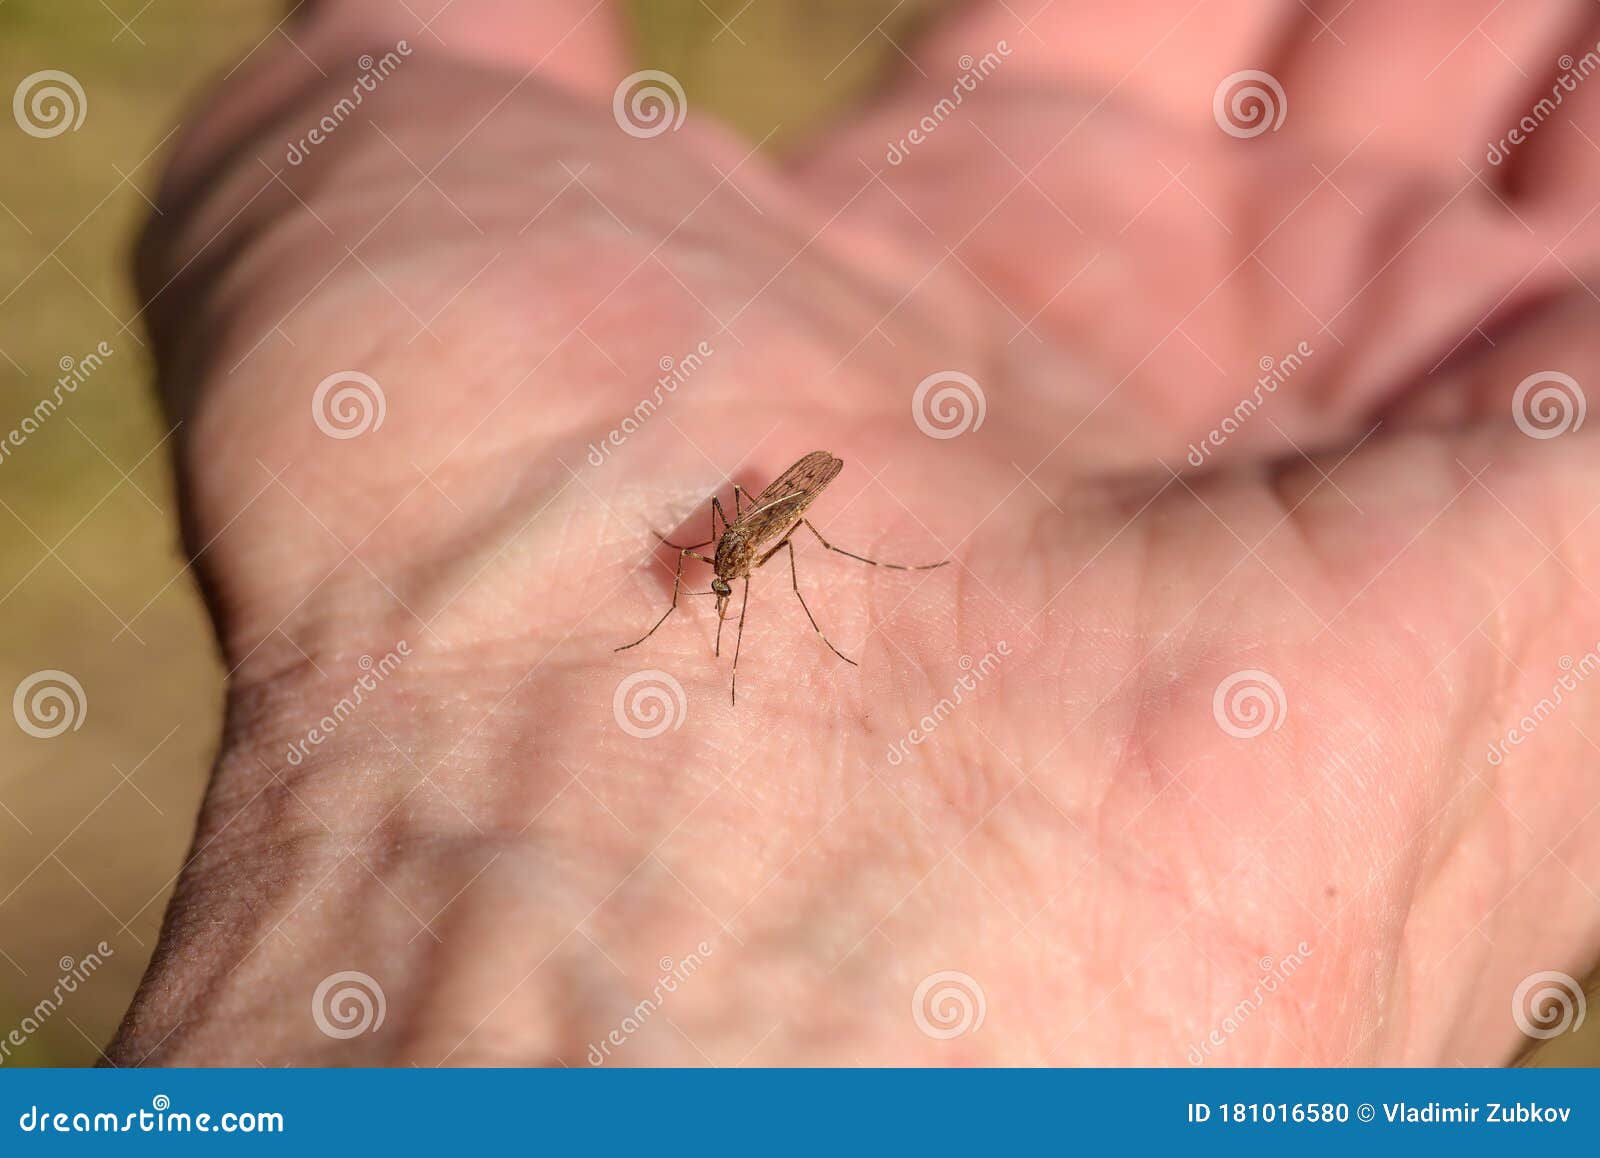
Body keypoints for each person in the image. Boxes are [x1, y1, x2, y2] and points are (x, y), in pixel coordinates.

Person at [110, 0, 1600, 1064]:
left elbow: (751, 530)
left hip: (794, 509)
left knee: (782, 572)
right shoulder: (715, 536)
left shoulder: (752, 528)